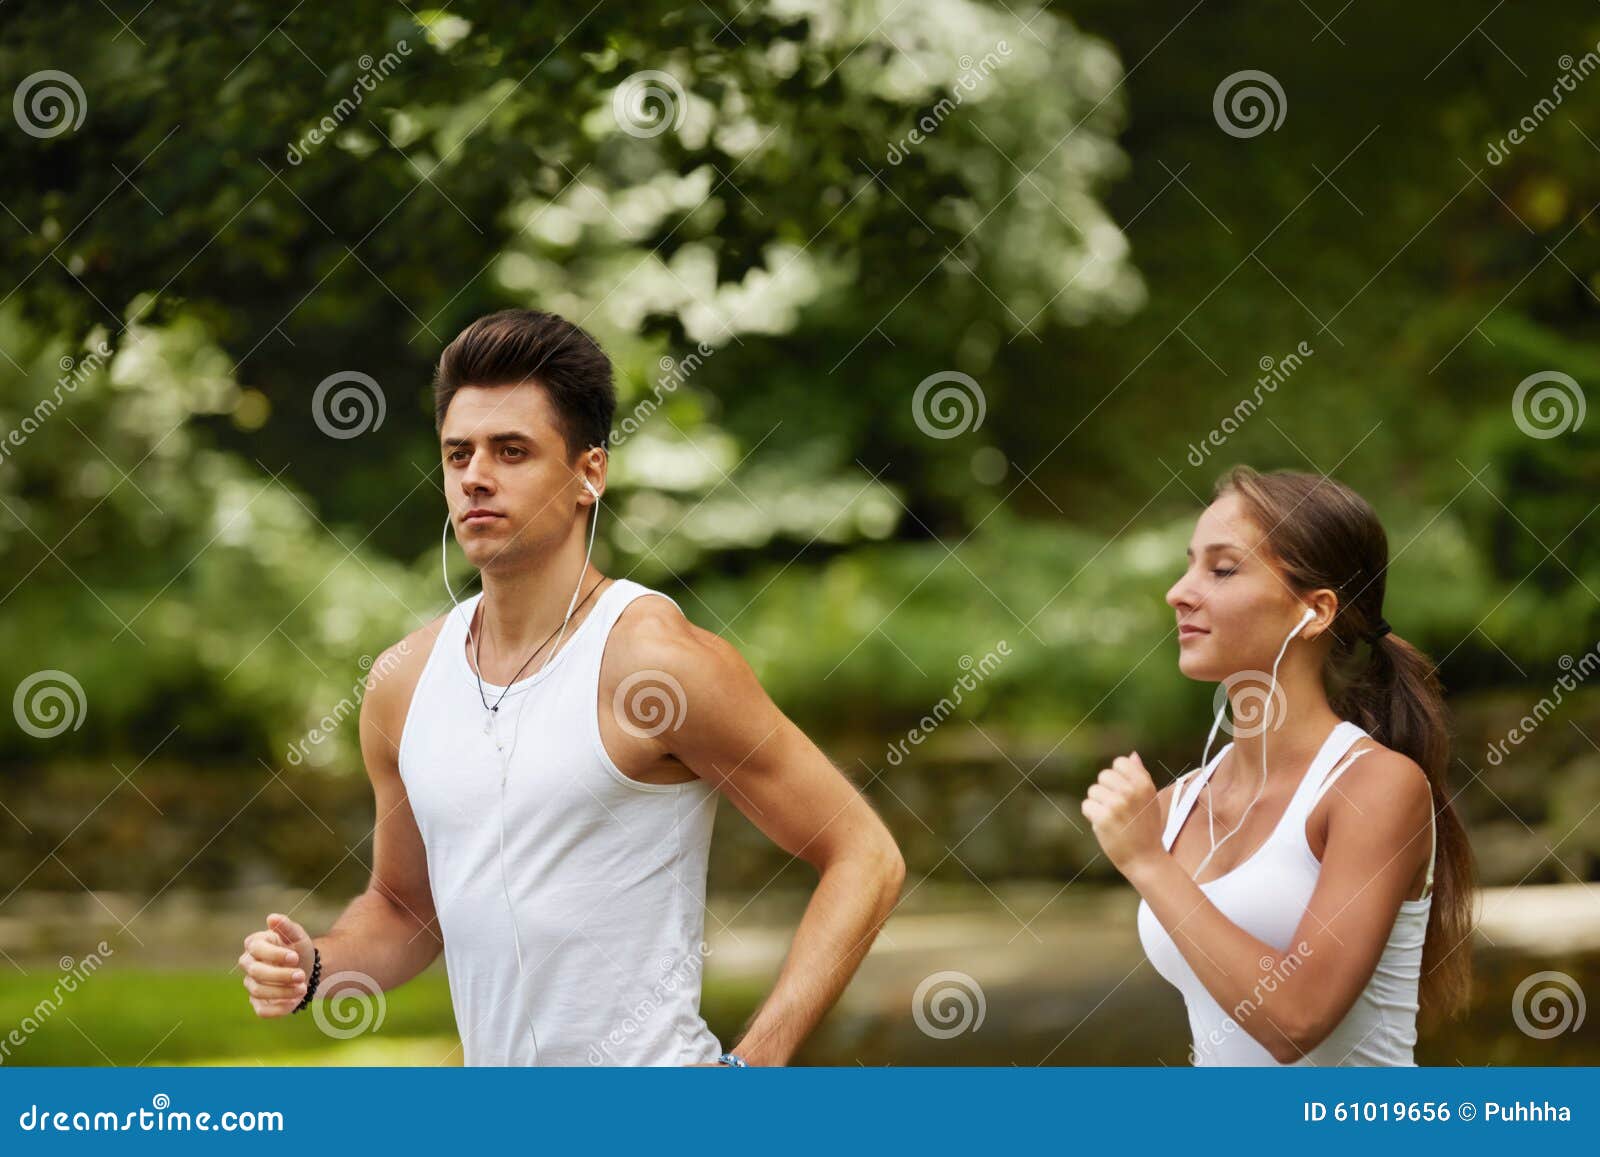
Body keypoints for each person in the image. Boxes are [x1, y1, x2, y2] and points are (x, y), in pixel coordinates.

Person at [239, 308, 905, 1065]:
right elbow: (406, 909)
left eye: (511, 450)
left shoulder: (656, 661)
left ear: (589, 473)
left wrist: (753, 1069)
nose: (476, 476)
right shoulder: (403, 681)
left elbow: (865, 854)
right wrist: (315, 966)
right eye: (458, 454)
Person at [1081, 466, 1474, 1065]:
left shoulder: (1375, 787)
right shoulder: (1175, 805)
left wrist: (1147, 864)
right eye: (1189, 564)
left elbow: (1296, 1019)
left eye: (1222, 568)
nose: (1180, 592)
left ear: (1314, 612)